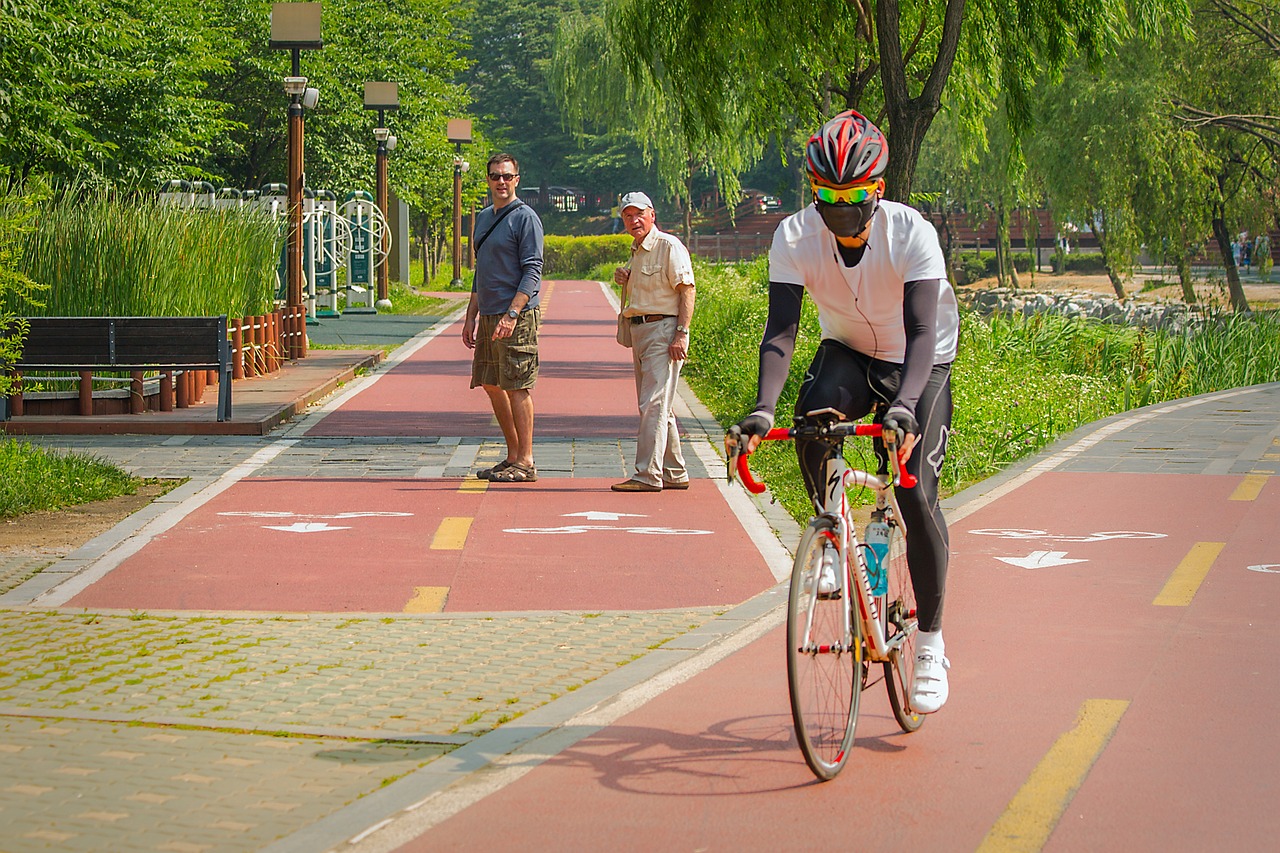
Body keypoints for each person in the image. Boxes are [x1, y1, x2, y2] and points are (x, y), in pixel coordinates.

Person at [728, 109, 957, 713]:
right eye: (827, 200)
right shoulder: (793, 236)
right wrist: (760, 410)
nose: (840, 215)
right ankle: (832, 536)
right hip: (849, 351)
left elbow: (924, 329)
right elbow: (781, 333)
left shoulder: (912, 234)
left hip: (918, 360)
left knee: (914, 492)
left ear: (877, 192)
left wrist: (905, 408)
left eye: (853, 201)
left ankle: (930, 644)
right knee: (810, 424)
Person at [463, 153, 545, 483]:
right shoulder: (484, 218)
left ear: (517, 180)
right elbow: (480, 270)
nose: (501, 182)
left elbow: (533, 270)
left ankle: (526, 460)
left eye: (507, 176)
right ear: (487, 180)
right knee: (491, 383)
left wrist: (513, 312)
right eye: (495, 176)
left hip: (516, 315)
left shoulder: (525, 218)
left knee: (517, 385)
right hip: (489, 313)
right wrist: (470, 315)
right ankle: (512, 455)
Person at [611, 191, 696, 492]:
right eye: (627, 215)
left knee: (653, 404)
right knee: (660, 406)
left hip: (663, 331)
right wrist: (626, 276)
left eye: (639, 214)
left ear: (652, 215)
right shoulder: (637, 250)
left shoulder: (669, 246)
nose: (634, 220)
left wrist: (681, 334)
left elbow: (687, 290)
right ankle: (674, 472)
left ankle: (647, 474)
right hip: (640, 331)